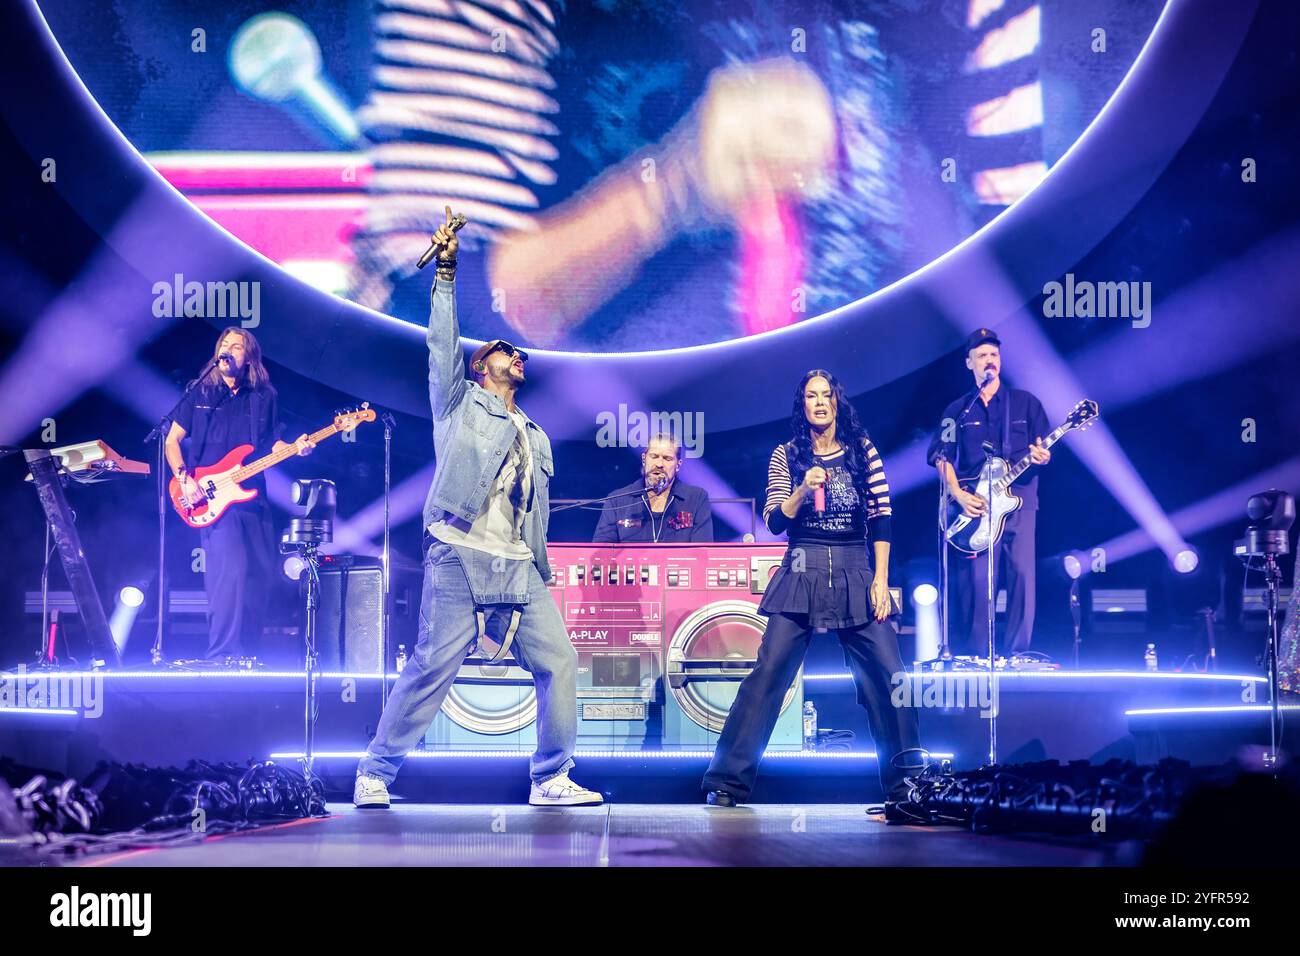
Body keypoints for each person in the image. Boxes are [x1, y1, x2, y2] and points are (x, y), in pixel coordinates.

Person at [354, 207, 602, 808]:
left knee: (560, 662)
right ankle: (375, 773)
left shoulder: (536, 434)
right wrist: (446, 271)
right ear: (479, 366)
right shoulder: (458, 403)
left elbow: (534, 517)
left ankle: (550, 778)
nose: (517, 355)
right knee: (433, 665)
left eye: (520, 353)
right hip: (459, 554)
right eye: (503, 349)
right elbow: (441, 344)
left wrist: (540, 567)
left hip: (518, 564)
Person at [701, 369, 923, 818]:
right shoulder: (787, 455)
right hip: (802, 565)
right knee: (768, 673)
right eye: (810, 396)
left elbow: (881, 517)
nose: (819, 402)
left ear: (837, 402)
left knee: (888, 676)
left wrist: (880, 580)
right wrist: (805, 487)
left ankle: (907, 786)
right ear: (802, 405)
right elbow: (775, 521)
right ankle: (727, 781)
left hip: (855, 566)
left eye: (826, 395)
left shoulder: (863, 452)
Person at [165, 328, 315, 661]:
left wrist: (294, 449)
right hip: (209, 495)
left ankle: (247, 655)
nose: (228, 350)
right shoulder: (199, 391)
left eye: (237, 346)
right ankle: (221, 656)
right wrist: (183, 478)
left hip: (251, 495)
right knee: (229, 571)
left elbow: (271, 444)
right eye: (224, 345)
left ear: (249, 357)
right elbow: (171, 440)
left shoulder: (264, 396)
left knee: (260, 573)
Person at [927, 329, 1052, 658]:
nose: (989, 361)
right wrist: (958, 494)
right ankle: (976, 655)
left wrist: (1043, 454)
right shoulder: (959, 410)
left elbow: (1044, 448)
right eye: (982, 356)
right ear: (970, 363)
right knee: (979, 583)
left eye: (994, 355)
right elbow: (940, 456)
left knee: (1022, 576)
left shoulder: (1025, 403)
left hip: (1020, 501)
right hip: (977, 505)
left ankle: (1018, 654)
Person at [593, 433, 714, 543]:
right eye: (654, 456)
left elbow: (702, 553)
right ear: (644, 459)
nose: (659, 464)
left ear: (678, 465)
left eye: (667, 458)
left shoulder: (696, 498)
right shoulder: (617, 500)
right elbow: (601, 552)